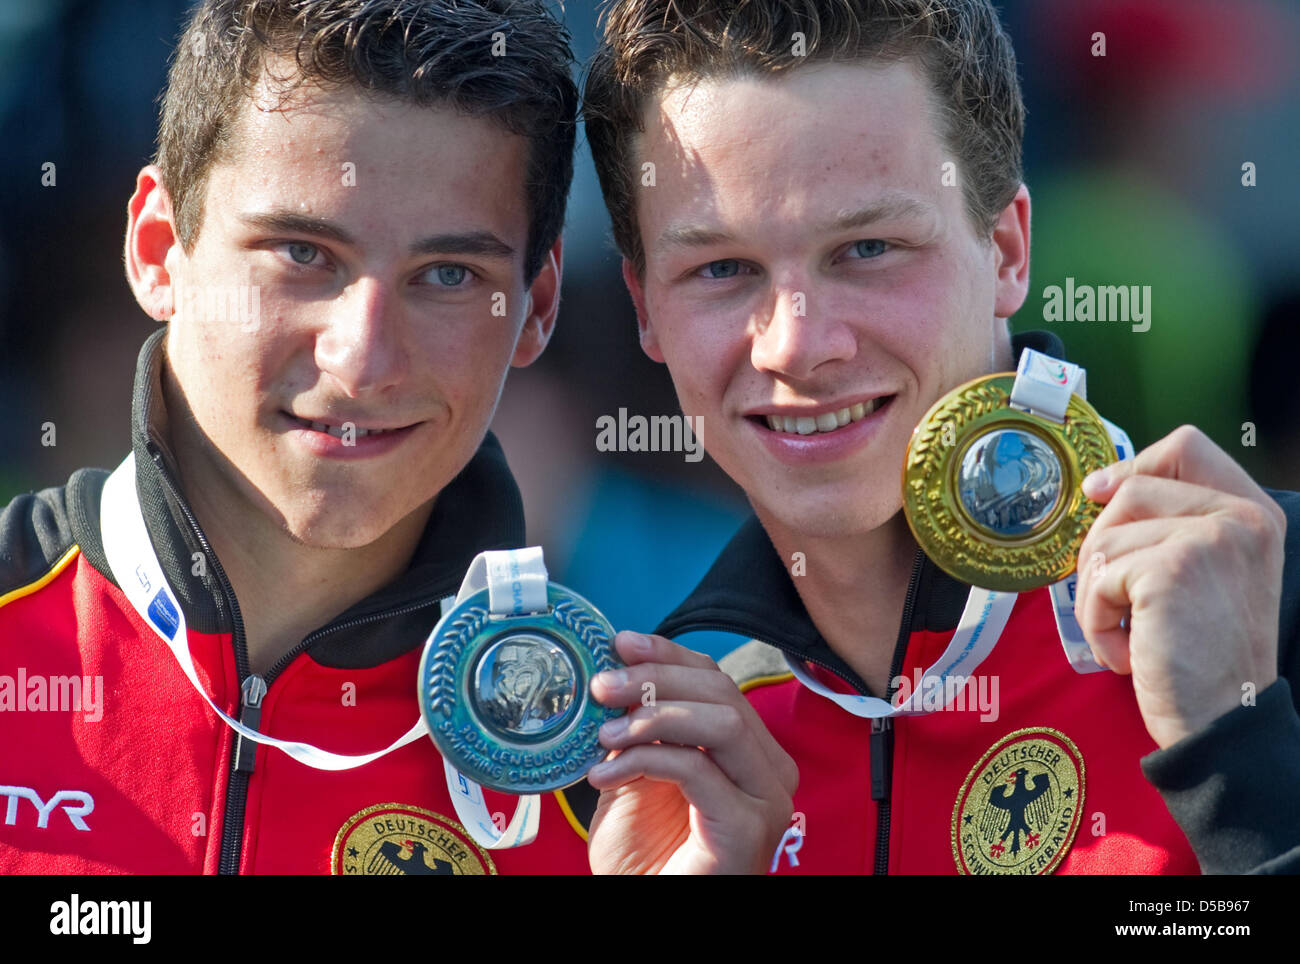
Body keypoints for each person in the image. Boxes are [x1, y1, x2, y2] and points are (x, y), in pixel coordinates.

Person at [0, 0, 793, 875]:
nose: (363, 360)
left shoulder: (626, 784)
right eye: (302, 253)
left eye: (448, 275)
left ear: (535, 308)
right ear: (158, 248)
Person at [583, 0, 1300, 873]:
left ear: (1006, 250)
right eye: (721, 269)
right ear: (645, 308)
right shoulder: (689, 769)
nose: (798, 345)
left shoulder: (1272, 607)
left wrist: (1236, 756)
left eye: (869, 248)